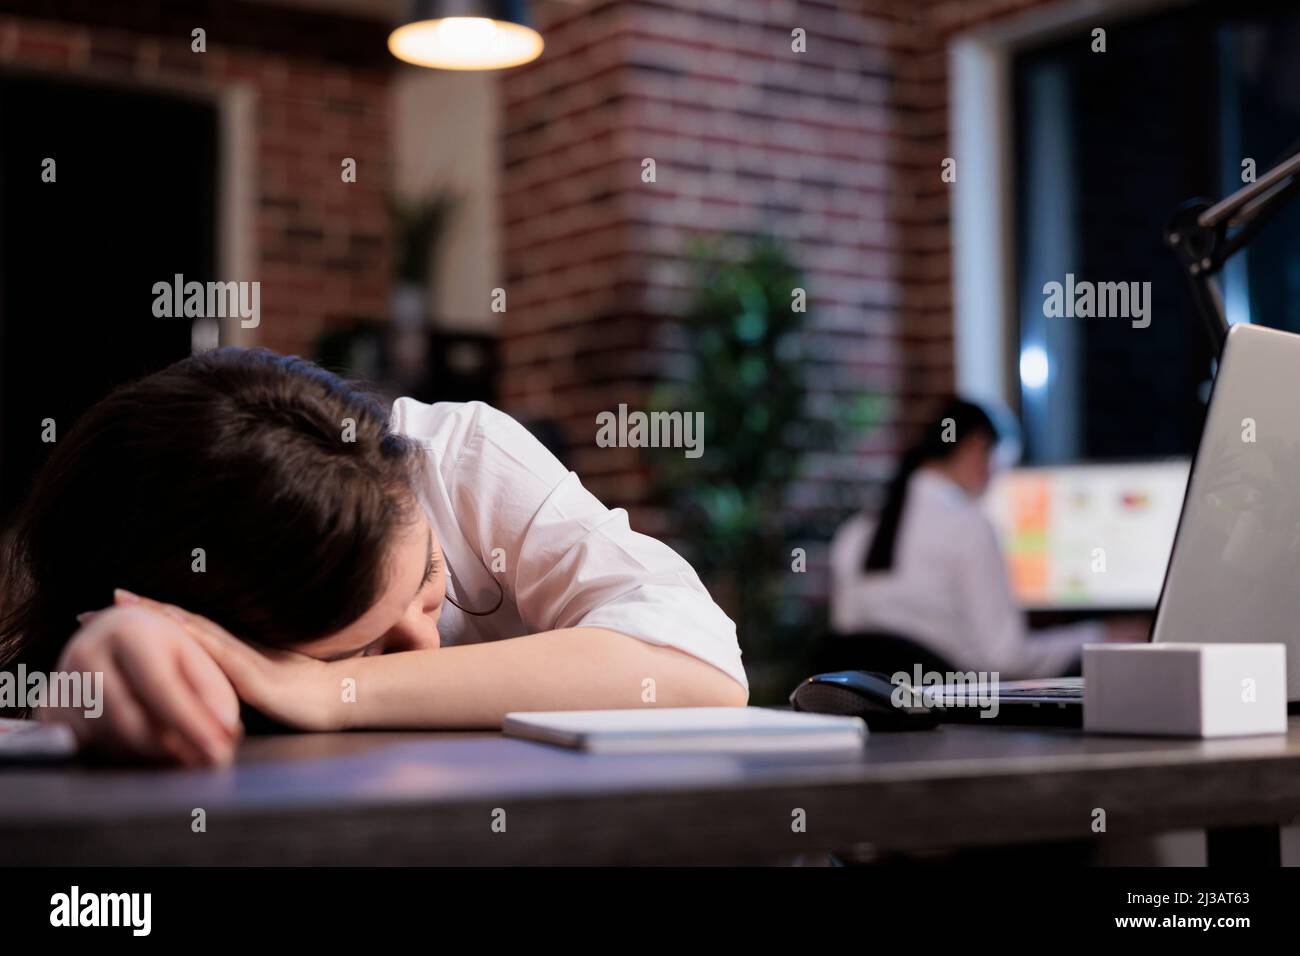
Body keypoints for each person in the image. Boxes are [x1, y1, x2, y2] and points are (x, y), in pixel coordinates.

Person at [0, 348, 747, 765]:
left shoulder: (461, 463)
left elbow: (700, 669)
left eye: (428, 581)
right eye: (365, 645)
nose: (421, 645)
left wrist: (336, 690)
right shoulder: (191, 584)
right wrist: (119, 656)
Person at [828, 397, 1144, 679]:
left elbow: (848, 639)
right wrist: (1100, 635)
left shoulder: (854, 534)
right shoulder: (969, 528)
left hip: (880, 725)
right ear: (977, 447)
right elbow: (1006, 658)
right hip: (955, 721)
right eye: (998, 465)